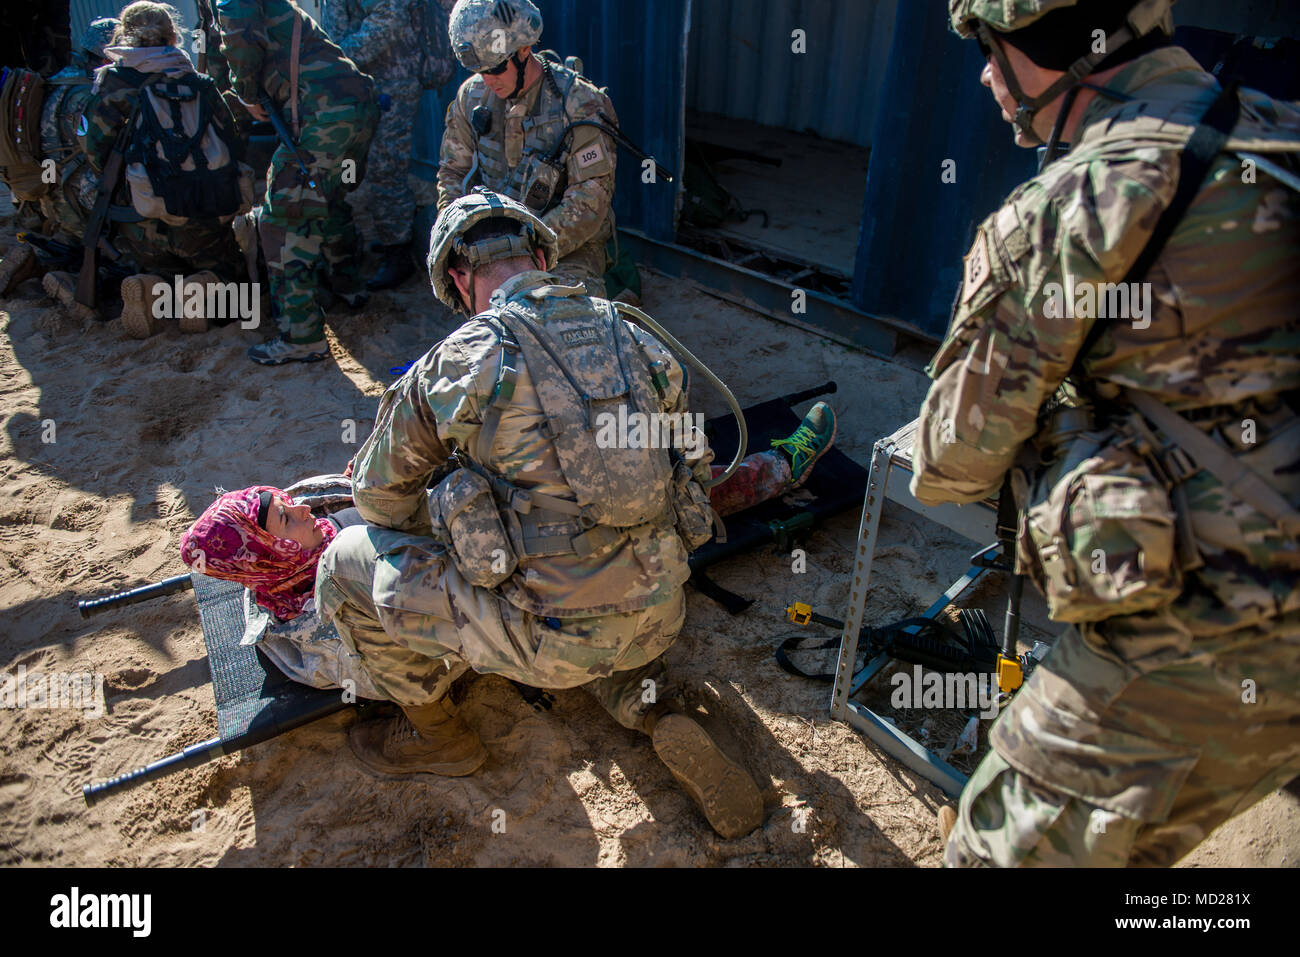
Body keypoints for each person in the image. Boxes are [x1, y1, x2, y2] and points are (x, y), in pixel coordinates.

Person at [916, 0, 1300, 866]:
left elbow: (948, 461)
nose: (983, 72)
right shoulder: (1281, 132)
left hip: (1225, 619)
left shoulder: (1075, 202)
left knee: (993, 848)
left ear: (1052, 51)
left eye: (992, 47)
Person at [313, 189, 814, 838]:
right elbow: (693, 464)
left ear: (460, 280)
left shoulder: (456, 364)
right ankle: (647, 703)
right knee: (594, 581)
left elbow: (377, 500)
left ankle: (439, 735)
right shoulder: (638, 335)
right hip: (660, 612)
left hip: (544, 636)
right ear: (544, 254)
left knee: (346, 559)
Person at [213, 0, 379, 365]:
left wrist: (247, 93)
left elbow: (240, 38)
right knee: (328, 196)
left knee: (282, 222)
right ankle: (348, 286)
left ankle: (301, 336)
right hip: (358, 106)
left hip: (323, 113)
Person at [68, 2, 250, 332]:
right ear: (172, 35)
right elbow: (234, 142)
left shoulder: (112, 85)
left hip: (140, 217)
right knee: (232, 271)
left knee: (151, 261)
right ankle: (205, 290)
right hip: (202, 214)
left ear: (125, 37)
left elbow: (95, 151)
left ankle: (152, 284)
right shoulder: (201, 84)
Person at [437, 0, 617, 296]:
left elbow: (588, 204)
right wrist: (455, 236)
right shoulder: (471, 97)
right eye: (479, 70)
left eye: (495, 68)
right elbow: (452, 172)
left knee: (564, 322)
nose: (487, 80)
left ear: (524, 50)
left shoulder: (580, 104)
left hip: (565, 249)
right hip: (491, 245)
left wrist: (523, 253)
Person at [324, 0, 455, 291]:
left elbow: (389, 15)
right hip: (365, 80)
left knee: (386, 168)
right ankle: (390, 236)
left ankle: (399, 252)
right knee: (370, 167)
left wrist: (340, 58)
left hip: (390, 81)